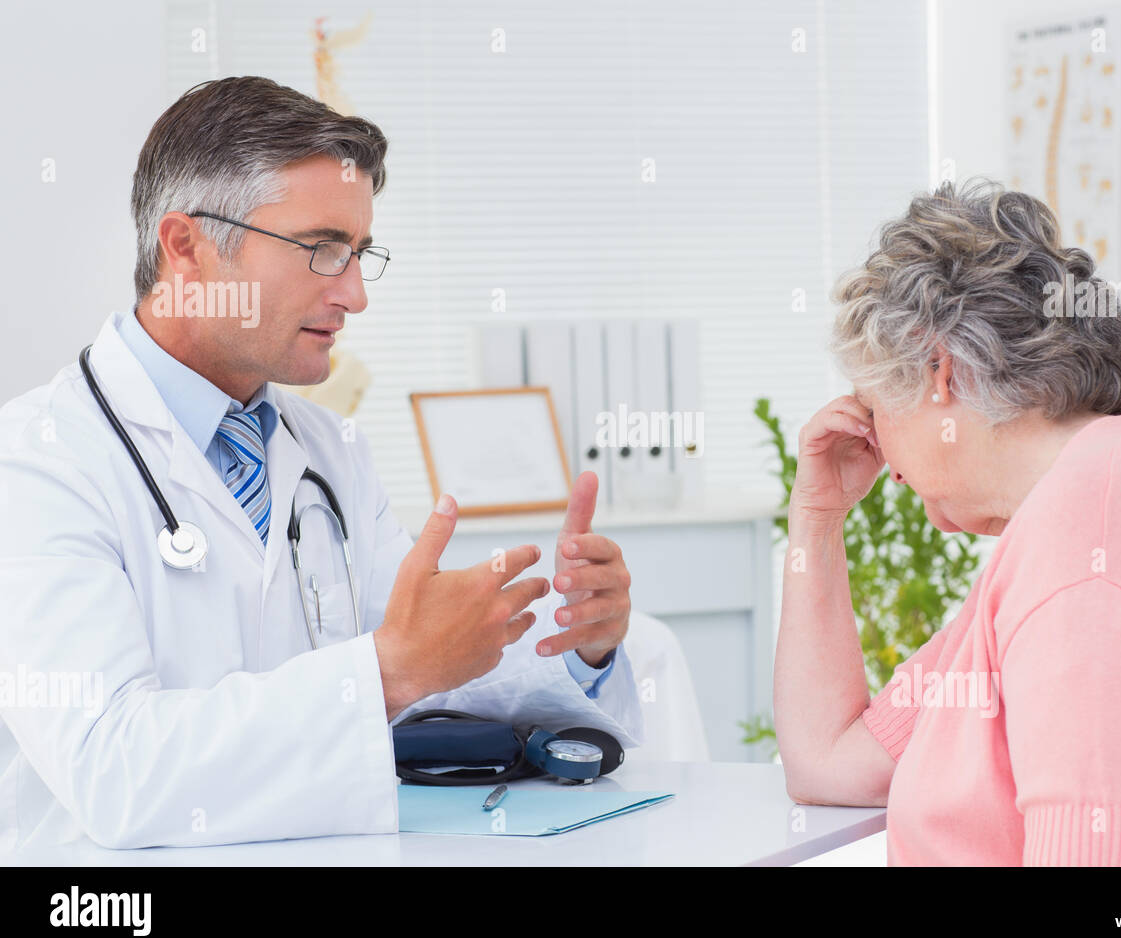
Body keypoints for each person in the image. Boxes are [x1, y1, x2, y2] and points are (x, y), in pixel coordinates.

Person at [0, 76, 641, 850]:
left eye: (360, 254)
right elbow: (113, 771)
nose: (355, 294)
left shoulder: (331, 454)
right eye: (323, 250)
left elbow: (430, 668)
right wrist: (385, 673)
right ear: (187, 247)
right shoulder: (38, 463)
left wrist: (579, 645)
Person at [774, 179, 1121, 865]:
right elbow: (828, 763)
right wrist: (817, 521)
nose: (883, 459)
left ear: (941, 371)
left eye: (874, 408)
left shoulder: (1095, 545)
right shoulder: (1086, 512)